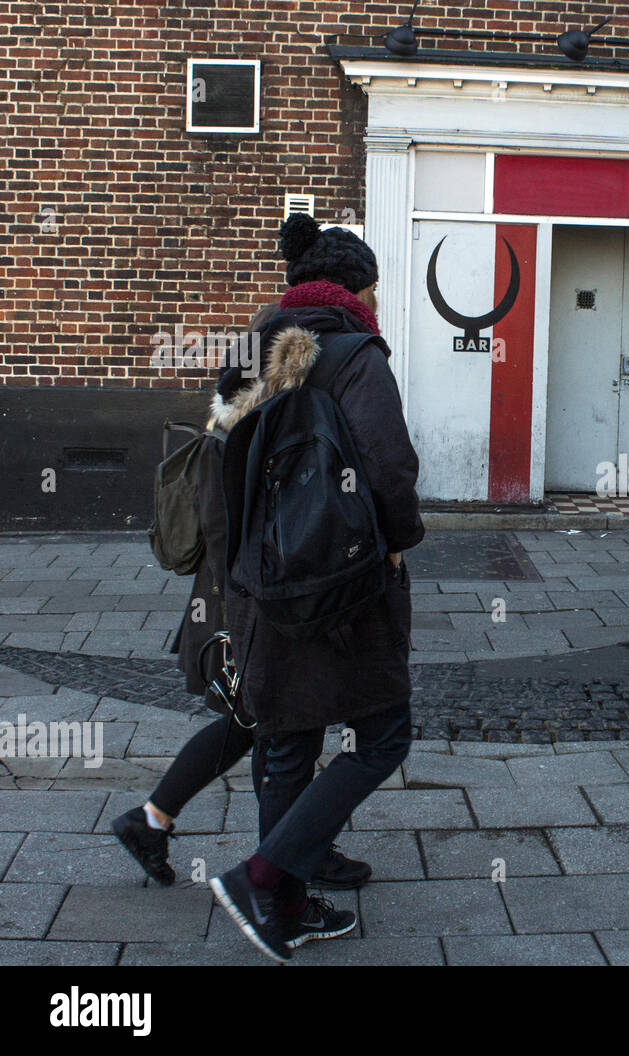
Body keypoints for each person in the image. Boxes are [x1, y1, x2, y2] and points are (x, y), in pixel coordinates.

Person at [208, 214, 424, 961]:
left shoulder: (249, 347)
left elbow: (219, 466)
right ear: (358, 288)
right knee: (384, 733)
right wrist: (398, 545)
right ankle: (266, 876)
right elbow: (390, 466)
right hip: (340, 581)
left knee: (287, 739)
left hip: (257, 580)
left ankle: (290, 890)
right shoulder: (357, 352)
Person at [111, 304, 373, 910]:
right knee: (265, 725)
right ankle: (280, 860)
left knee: (254, 725)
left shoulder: (236, 427)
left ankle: (156, 822)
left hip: (234, 604)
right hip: (239, 607)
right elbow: (232, 537)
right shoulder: (239, 437)